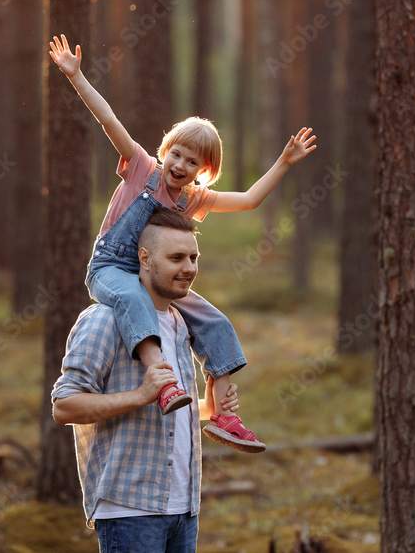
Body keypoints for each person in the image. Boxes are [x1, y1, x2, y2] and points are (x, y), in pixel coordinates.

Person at [49, 34, 316, 451]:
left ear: (203, 171)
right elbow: (109, 121)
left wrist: (283, 162)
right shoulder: (141, 169)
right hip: (111, 270)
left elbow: (248, 200)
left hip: (158, 278)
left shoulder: (193, 199)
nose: (181, 165)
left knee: (214, 320)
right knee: (133, 300)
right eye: (177, 154)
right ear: (165, 150)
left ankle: (224, 414)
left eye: (193, 162)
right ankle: (164, 382)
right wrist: (77, 77)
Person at [53, 209, 233, 551]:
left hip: (184, 509)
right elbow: (63, 406)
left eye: (194, 257)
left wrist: (207, 408)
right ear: (145, 259)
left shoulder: (180, 324)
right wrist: (139, 395)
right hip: (130, 511)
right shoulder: (104, 319)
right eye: (177, 258)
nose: (189, 268)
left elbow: (163, 412)